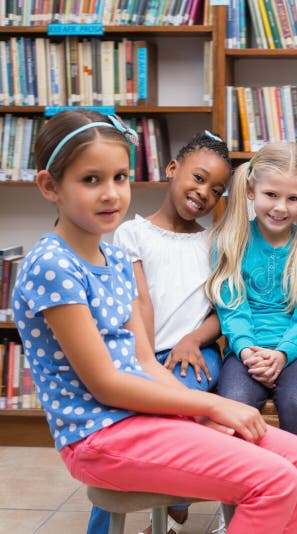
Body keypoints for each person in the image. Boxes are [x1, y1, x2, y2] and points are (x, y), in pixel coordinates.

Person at [13, 109, 297, 534]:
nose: (110, 193)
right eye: (91, 180)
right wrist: (212, 404)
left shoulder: (117, 258)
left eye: (120, 178)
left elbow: (147, 362)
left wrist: (200, 418)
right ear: (50, 186)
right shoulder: (53, 265)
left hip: (143, 417)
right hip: (100, 436)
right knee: (274, 478)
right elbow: (105, 384)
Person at [85, 132, 232, 534]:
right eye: (199, 178)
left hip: (197, 356)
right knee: (118, 428)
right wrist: (144, 367)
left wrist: (192, 339)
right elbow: (140, 302)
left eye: (217, 189)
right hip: (142, 350)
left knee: (177, 411)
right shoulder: (134, 234)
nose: (204, 193)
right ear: (172, 169)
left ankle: (173, 507)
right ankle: (116, 522)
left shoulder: (215, 241)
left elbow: (224, 312)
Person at [207, 143, 297, 445]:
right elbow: (232, 308)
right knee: (235, 402)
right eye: (271, 195)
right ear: (250, 190)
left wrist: (283, 353)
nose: (281, 207)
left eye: (293, 198)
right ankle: (242, 490)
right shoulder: (230, 241)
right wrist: (247, 350)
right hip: (244, 352)